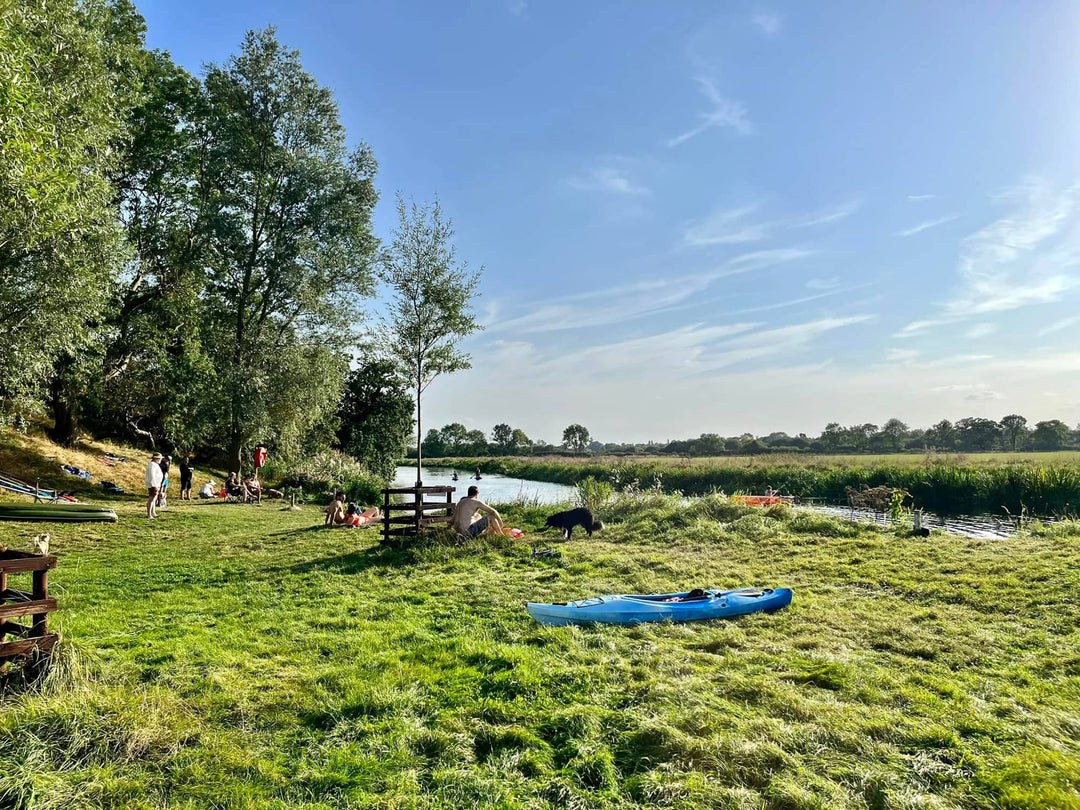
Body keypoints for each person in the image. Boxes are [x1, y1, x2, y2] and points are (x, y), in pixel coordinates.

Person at [145, 452, 164, 519]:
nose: (161, 460)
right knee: (151, 498)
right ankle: (149, 514)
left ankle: (153, 512)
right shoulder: (152, 465)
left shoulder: (155, 464)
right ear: (156, 459)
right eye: (160, 459)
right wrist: (154, 485)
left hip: (156, 484)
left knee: (154, 499)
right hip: (153, 484)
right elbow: (152, 476)